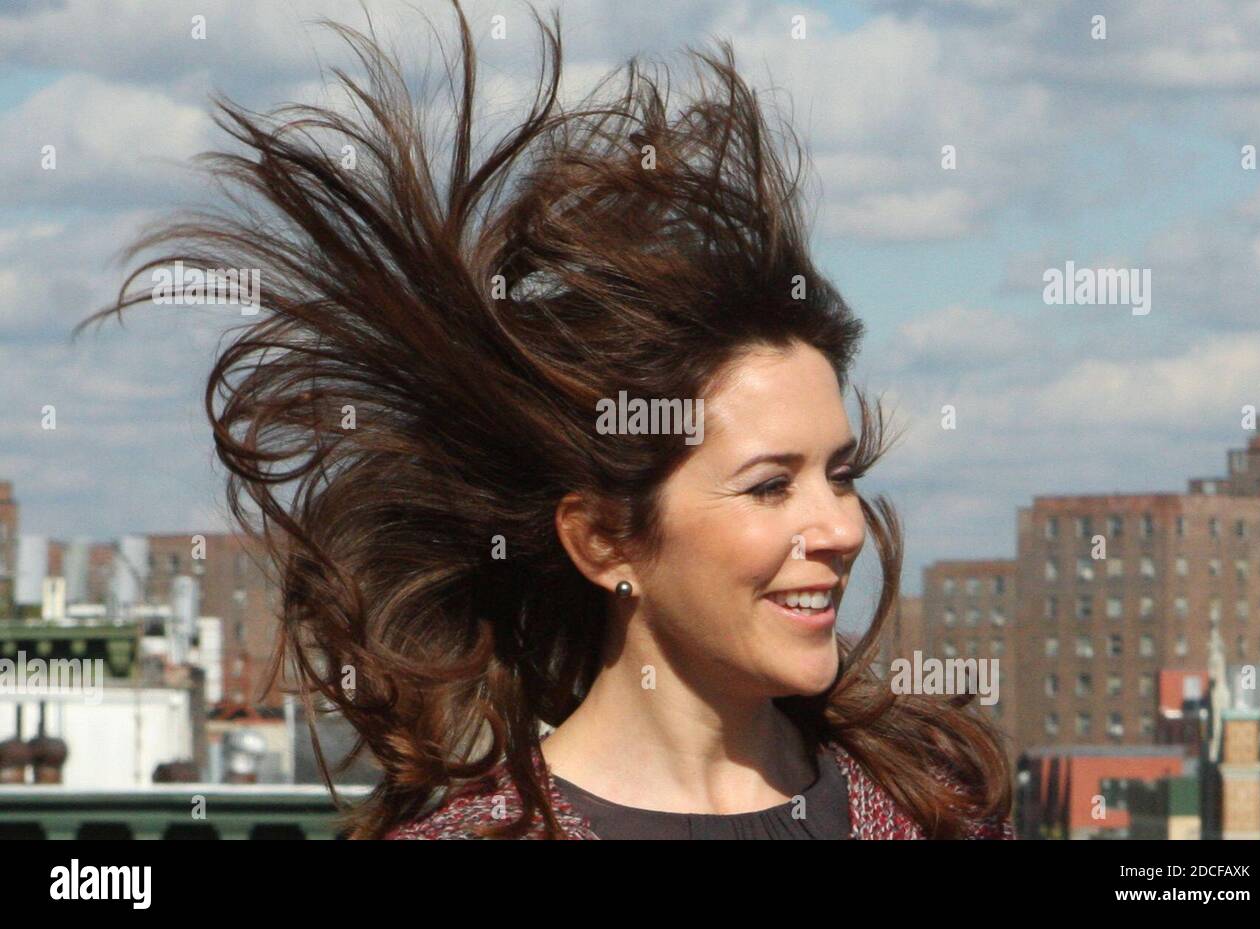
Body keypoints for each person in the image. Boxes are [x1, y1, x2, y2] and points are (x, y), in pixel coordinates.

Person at [78, 0, 1013, 840]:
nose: (842, 525)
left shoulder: (936, 808)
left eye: (840, 472)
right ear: (605, 540)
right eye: (772, 484)